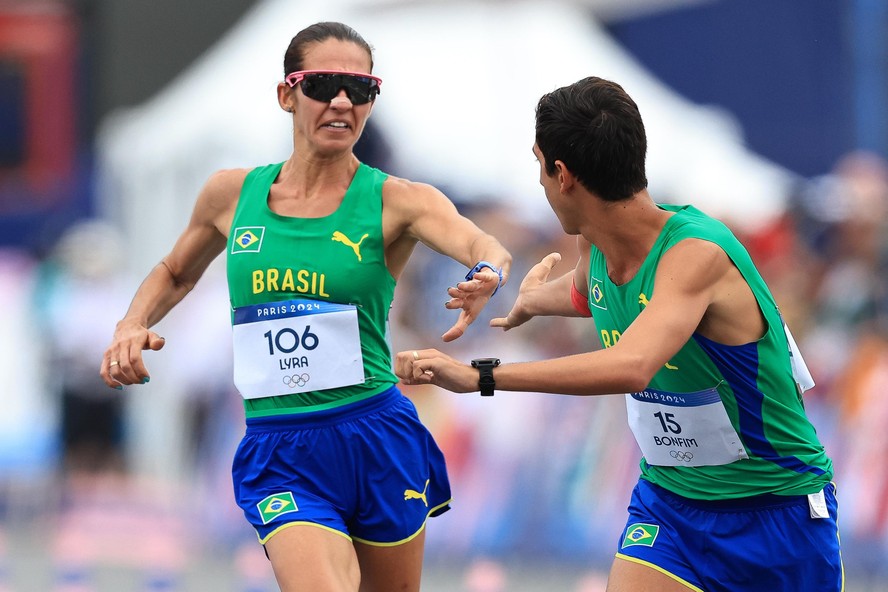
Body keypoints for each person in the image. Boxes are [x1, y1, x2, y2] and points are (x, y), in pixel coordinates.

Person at [99, 21, 511, 592]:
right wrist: (131, 323)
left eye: (359, 88)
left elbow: (481, 244)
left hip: (374, 435)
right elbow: (174, 271)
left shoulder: (398, 200)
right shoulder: (231, 194)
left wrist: (487, 273)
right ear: (286, 94)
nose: (341, 100)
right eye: (323, 84)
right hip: (280, 447)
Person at [396, 76, 843, 592]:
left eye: (538, 165)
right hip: (671, 507)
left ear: (561, 173)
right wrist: (530, 300)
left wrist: (482, 377)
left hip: (777, 512)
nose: (539, 184)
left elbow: (632, 364)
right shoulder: (595, 243)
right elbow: (593, 292)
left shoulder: (696, 254)